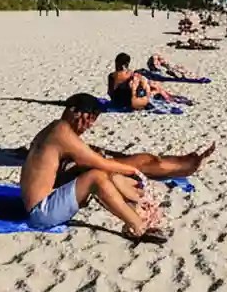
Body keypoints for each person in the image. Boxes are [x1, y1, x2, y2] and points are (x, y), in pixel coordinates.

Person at [20, 93, 167, 242]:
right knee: (96, 177)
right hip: (41, 213)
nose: (89, 125)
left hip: (39, 206)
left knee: (94, 171)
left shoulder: (53, 128)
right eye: (89, 118)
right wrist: (135, 171)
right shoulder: (61, 132)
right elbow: (100, 163)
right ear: (74, 112)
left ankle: (136, 204)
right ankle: (138, 226)